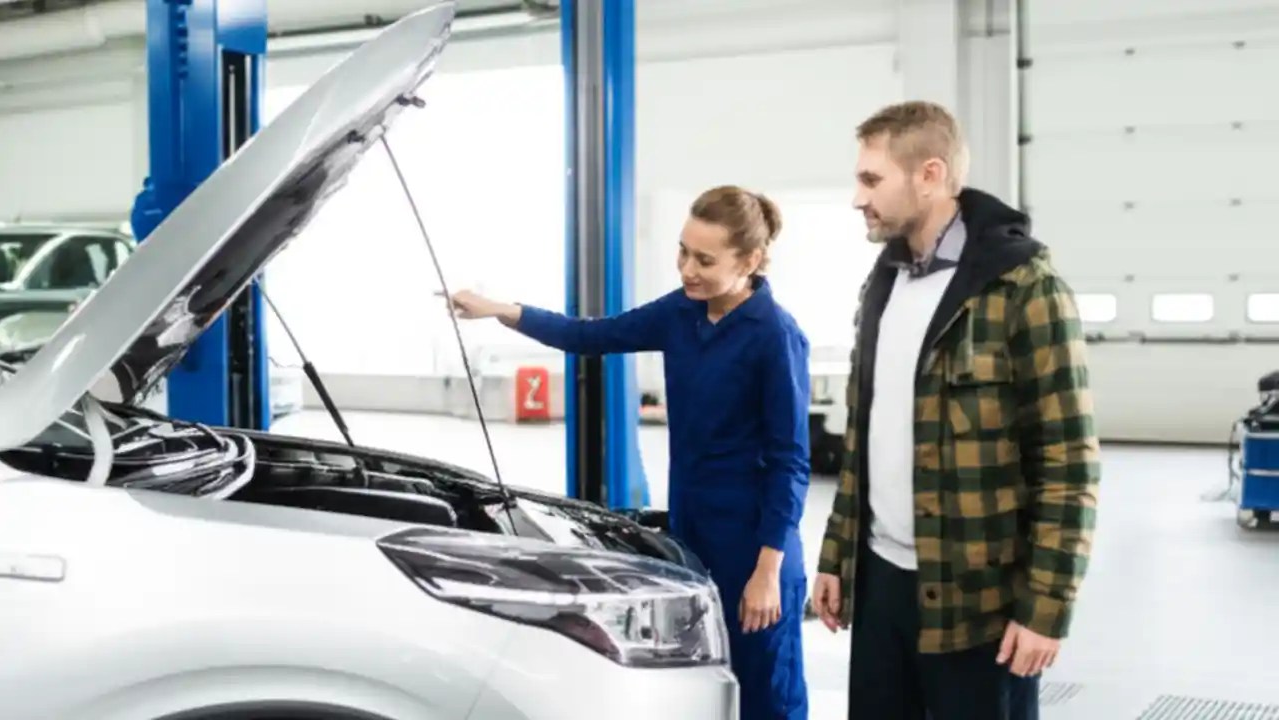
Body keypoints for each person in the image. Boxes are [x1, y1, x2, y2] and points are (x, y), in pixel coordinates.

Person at [444, 185, 811, 720]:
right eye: (683, 251)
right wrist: (501, 309)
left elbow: (790, 462)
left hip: (755, 546)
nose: (687, 268)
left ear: (750, 260)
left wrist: (768, 569)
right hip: (694, 533)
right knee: (704, 688)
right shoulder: (683, 312)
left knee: (766, 698)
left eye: (705, 259)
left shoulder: (775, 335)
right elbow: (588, 336)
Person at [810, 101, 1101, 719]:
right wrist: (838, 556)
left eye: (870, 180)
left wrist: (1045, 609)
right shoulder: (883, 283)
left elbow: (1068, 459)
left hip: (981, 600)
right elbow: (867, 441)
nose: (856, 198)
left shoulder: (1023, 288)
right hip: (884, 580)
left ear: (930, 174)